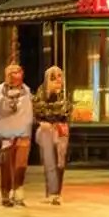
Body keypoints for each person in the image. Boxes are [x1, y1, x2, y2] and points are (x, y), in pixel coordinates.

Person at [0, 64, 34, 207]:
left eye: (18, 72)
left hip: (23, 133)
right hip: (7, 134)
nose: (16, 75)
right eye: (12, 72)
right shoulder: (1, 90)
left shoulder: (26, 91)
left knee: (20, 165)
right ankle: (5, 193)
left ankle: (18, 191)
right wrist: (8, 102)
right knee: (6, 165)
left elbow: (30, 111)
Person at [33, 66, 71, 205]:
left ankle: (57, 192)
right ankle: (51, 191)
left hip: (61, 129)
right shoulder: (41, 93)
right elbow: (38, 109)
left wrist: (51, 111)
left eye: (60, 76)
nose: (57, 80)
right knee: (49, 161)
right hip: (46, 130)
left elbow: (65, 110)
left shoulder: (64, 93)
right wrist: (48, 115)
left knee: (60, 162)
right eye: (53, 77)